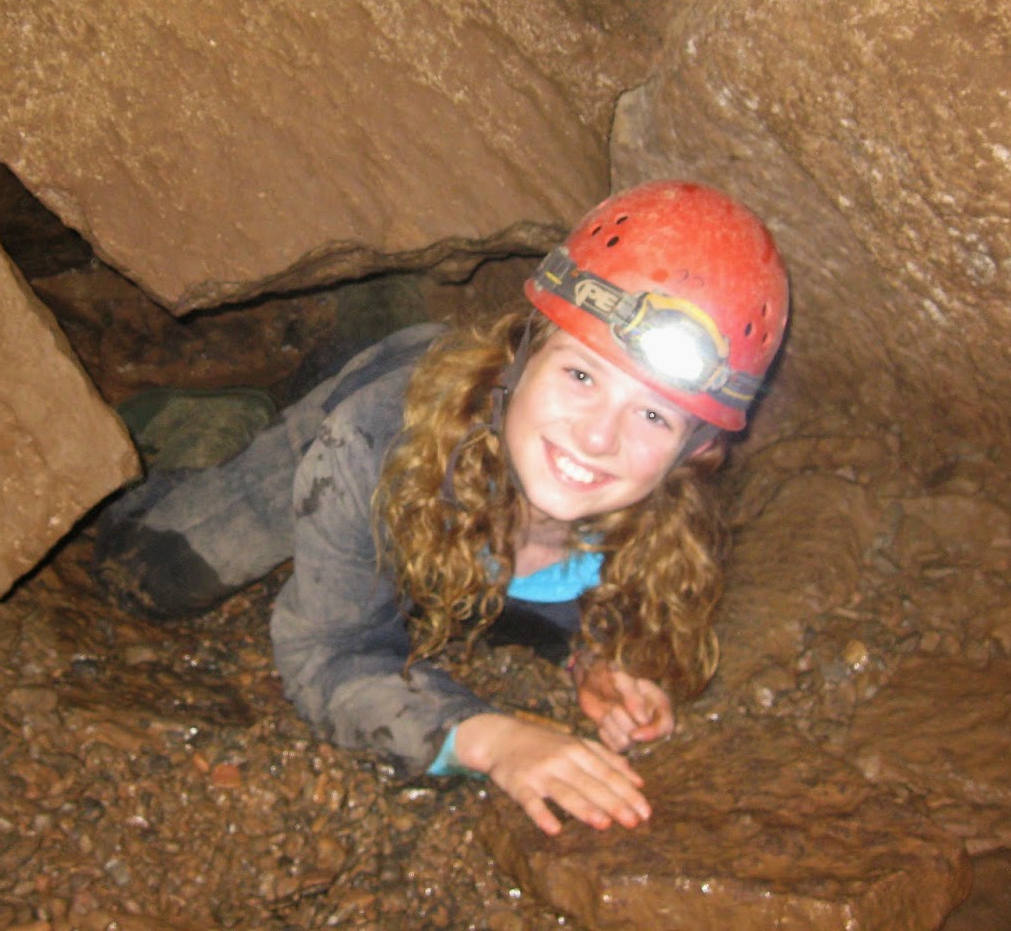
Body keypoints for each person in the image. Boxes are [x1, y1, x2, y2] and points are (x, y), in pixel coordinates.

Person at [95, 180, 788, 836]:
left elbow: (566, 606)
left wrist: (597, 661)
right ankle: (227, 418)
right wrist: (493, 740)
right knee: (143, 572)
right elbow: (326, 653)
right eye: (580, 375)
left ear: (694, 453)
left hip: (461, 416)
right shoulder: (371, 441)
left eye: (653, 417)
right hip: (386, 403)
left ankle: (374, 317)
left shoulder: (656, 517)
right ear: (524, 353)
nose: (600, 436)